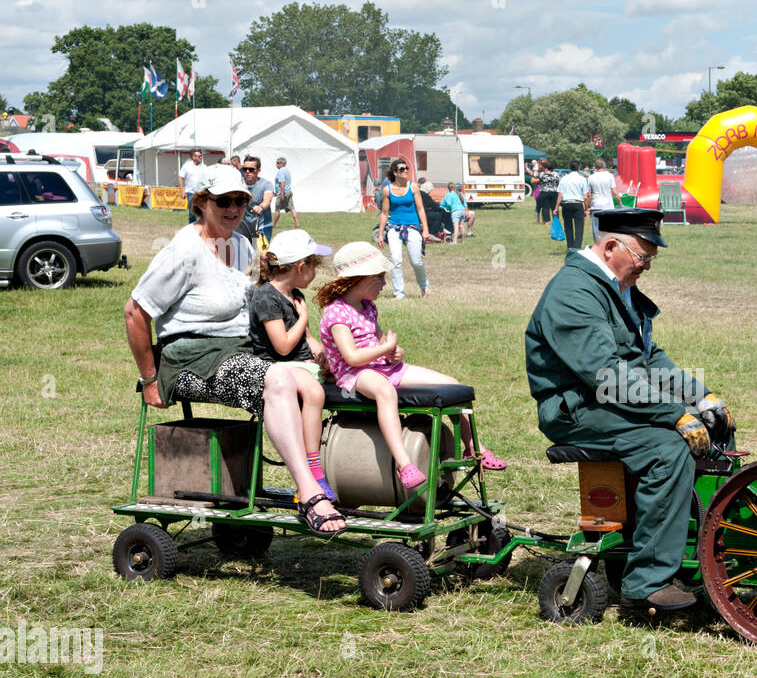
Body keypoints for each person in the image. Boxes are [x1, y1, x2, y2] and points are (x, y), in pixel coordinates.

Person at [524, 208, 735, 613]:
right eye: (642, 258)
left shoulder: (614, 284)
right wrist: (673, 413)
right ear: (609, 247)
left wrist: (702, 398)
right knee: (667, 449)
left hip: (605, 398)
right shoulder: (574, 292)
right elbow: (606, 375)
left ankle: (699, 551)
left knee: (713, 429)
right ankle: (646, 584)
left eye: (650, 260)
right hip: (574, 409)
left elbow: (647, 358)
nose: (646, 267)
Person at [124, 165, 346, 536]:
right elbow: (135, 312)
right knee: (276, 377)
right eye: (223, 201)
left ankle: (333, 478)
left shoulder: (242, 245)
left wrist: (315, 349)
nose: (233, 208)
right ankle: (309, 492)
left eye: (240, 200)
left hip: (242, 350)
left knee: (318, 380)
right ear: (200, 204)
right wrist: (150, 379)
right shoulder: (183, 251)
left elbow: (266, 305)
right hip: (190, 357)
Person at [316, 243, 506, 485]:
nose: (384, 283)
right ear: (360, 279)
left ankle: (473, 447)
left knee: (452, 385)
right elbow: (352, 357)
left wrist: (394, 353)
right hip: (355, 374)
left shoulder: (368, 307)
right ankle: (403, 464)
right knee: (385, 392)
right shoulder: (337, 313)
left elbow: (380, 341)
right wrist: (384, 349)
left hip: (383, 368)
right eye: (380, 277)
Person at [249, 228, 335, 500]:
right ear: (300, 267)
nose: (315, 272)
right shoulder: (266, 297)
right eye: (313, 266)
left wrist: (325, 357)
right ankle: (313, 471)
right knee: (314, 392)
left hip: (301, 364)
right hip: (277, 366)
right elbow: (283, 346)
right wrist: (302, 318)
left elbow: (308, 340)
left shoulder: (295, 295)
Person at [375, 158, 431, 299]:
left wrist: (425, 229)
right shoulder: (387, 190)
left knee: (416, 261)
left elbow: (420, 209)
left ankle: (424, 287)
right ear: (395, 172)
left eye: (406, 168)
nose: (406, 171)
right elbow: (384, 213)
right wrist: (381, 234)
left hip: (412, 227)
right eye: (402, 169)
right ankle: (398, 293)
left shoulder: (413, 187)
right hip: (394, 227)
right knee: (396, 260)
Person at [238, 156, 274, 248]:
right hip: (243, 226)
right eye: (245, 169)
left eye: (251, 169)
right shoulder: (239, 184)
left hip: (262, 227)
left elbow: (267, 200)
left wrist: (260, 207)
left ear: (258, 170)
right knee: (243, 255)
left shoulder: (266, 184)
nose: (247, 172)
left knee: (259, 257)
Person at [558, 160, 591, 249]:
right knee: (579, 227)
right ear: (579, 167)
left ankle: (570, 247)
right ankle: (577, 247)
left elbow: (560, 194)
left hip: (566, 204)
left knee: (568, 227)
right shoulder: (582, 179)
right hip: (577, 204)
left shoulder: (564, 178)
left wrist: (556, 207)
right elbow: (585, 196)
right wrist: (586, 208)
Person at [587, 158, 615, 238]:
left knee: (596, 230)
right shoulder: (610, 176)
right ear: (604, 165)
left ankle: (597, 246)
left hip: (596, 206)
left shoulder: (591, 177)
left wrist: (588, 207)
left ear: (595, 167)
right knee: (608, 229)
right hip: (608, 206)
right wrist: (620, 203)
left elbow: (589, 194)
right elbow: (614, 192)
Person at [271, 156, 300, 230]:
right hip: (289, 192)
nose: (276, 164)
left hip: (283, 193)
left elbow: (282, 183)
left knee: (277, 210)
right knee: (292, 208)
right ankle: (297, 224)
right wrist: (276, 193)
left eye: (277, 163)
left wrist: (282, 193)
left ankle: (272, 225)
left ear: (281, 163)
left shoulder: (281, 171)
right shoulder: (287, 171)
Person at [178, 149, 205, 223]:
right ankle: (192, 228)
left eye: (200, 156)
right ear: (193, 157)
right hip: (191, 193)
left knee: (203, 212)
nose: (200, 157)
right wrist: (182, 192)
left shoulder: (204, 167)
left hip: (202, 193)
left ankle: (202, 227)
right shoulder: (186, 166)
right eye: (198, 156)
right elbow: (180, 177)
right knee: (192, 212)